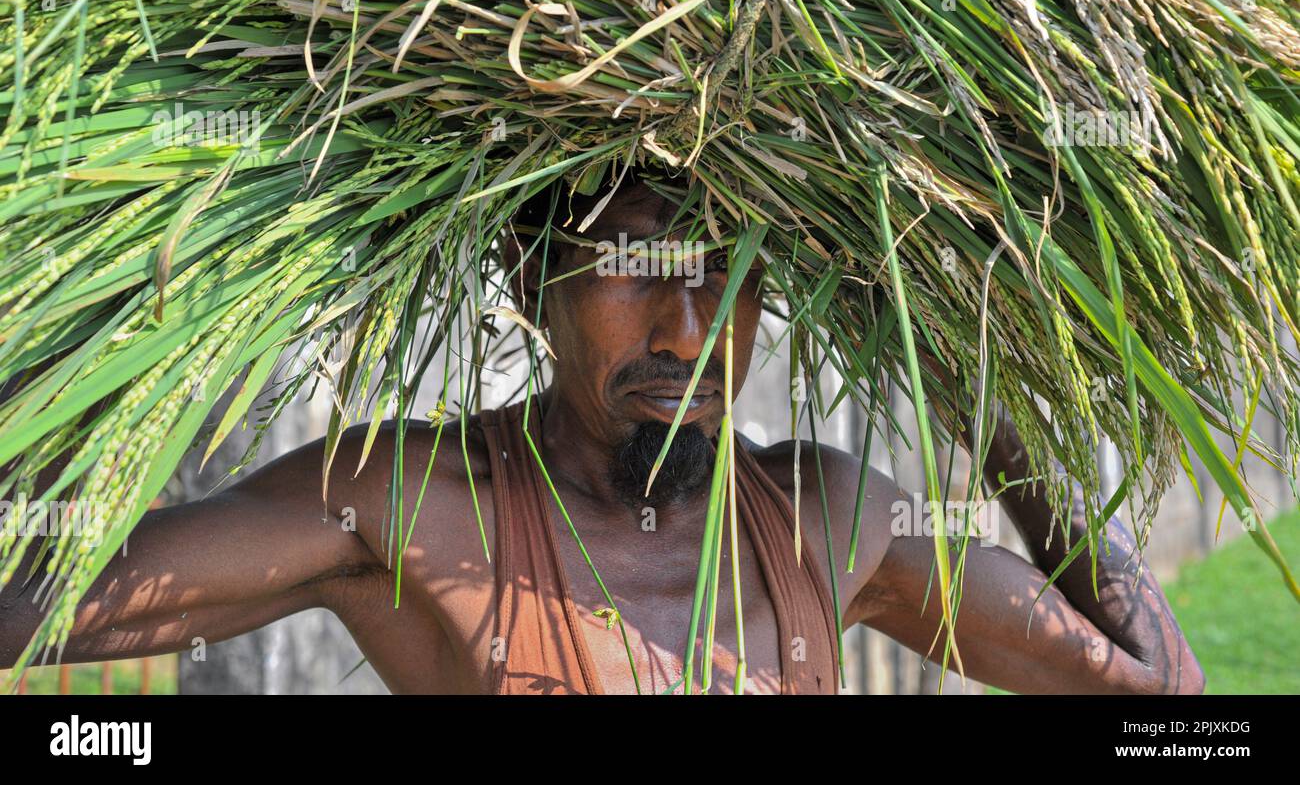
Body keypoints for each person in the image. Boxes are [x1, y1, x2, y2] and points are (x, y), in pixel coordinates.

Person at [0, 176, 1204, 694]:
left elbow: (1151, 688)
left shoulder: (828, 517)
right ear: (531, 282)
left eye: (727, 275)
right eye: (635, 270)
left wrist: (971, 382)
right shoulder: (407, 502)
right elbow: (32, 608)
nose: (689, 333)